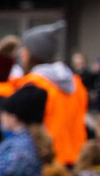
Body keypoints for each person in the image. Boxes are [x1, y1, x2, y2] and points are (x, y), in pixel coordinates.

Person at [16, 21, 89, 166]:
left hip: (46, 159)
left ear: (29, 54)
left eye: (24, 49)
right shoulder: (75, 82)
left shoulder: (33, 84)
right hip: (77, 158)